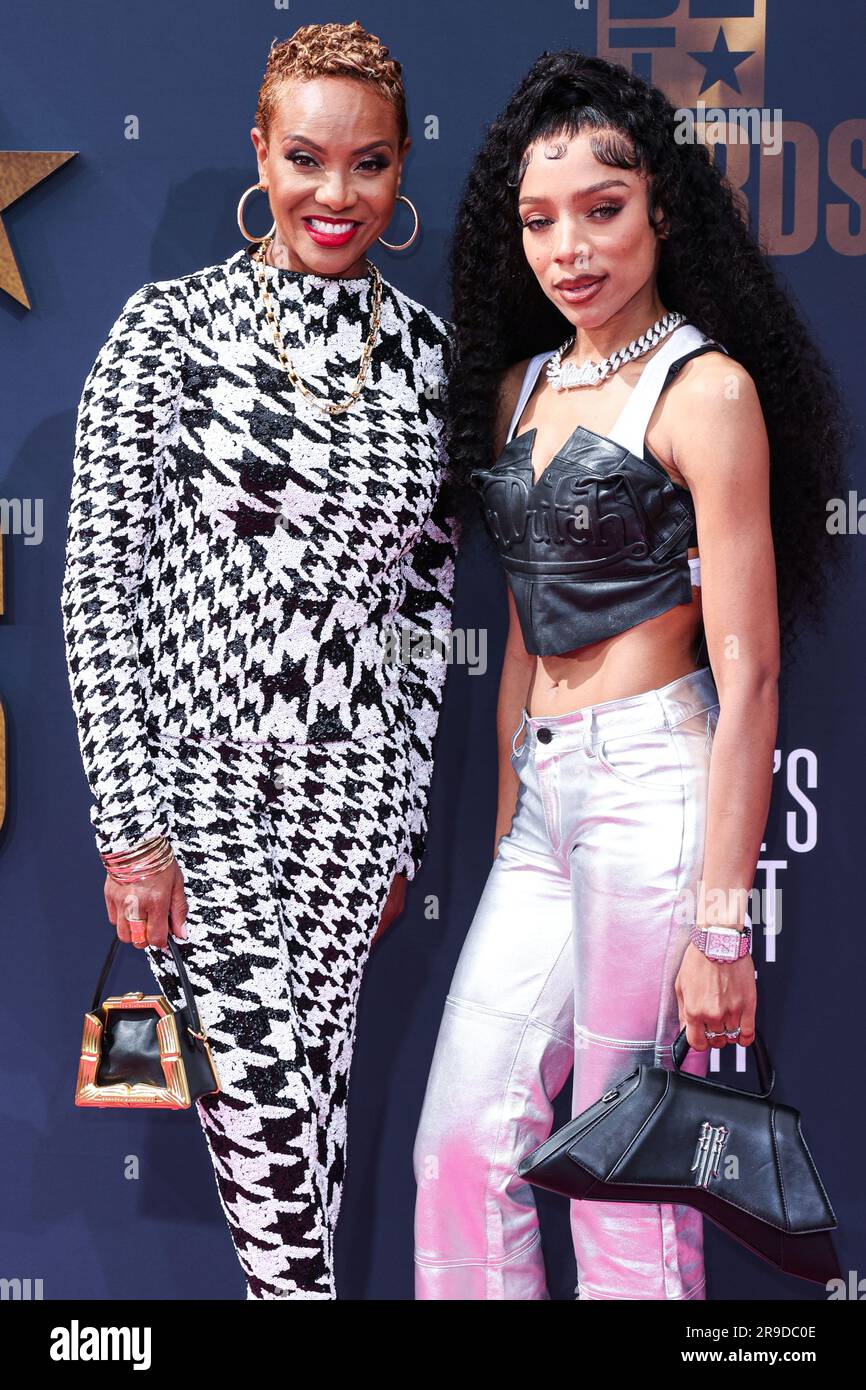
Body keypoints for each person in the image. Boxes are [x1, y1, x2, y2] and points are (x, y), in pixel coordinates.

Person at [413, 50, 848, 1300]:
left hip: (655, 784)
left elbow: (751, 671)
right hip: (542, 800)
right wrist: (509, 827)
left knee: (627, 1175)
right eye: (539, 221)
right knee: (458, 1146)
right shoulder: (516, 389)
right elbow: (518, 638)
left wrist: (719, 925)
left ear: (660, 205)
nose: (570, 248)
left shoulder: (704, 390)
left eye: (600, 211)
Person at [61, 20, 460, 1301]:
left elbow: (419, 606)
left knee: (308, 1111)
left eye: (368, 164)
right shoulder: (168, 330)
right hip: (200, 789)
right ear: (259, 152)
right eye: (306, 158)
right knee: (270, 1112)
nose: (334, 195)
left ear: (401, 171)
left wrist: (398, 818)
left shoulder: (427, 356)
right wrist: (132, 827)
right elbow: (99, 590)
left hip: (349, 802)